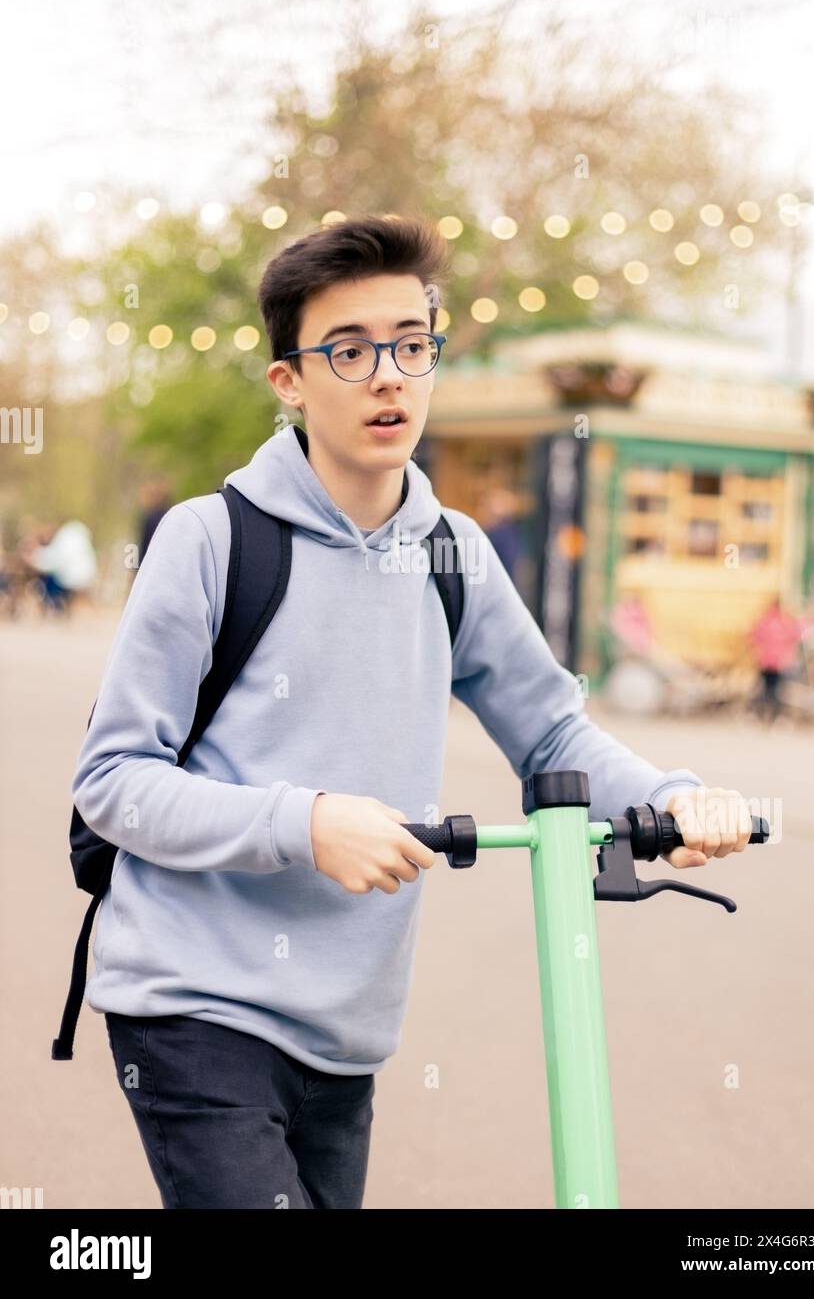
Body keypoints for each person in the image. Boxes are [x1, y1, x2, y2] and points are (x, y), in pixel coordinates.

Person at [71, 214, 756, 1211]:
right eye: (347, 351)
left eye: (409, 344)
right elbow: (111, 782)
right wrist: (303, 823)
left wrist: (671, 798)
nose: (387, 375)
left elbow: (551, 732)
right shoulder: (210, 541)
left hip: (345, 1031)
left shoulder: (454, 554)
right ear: (289, 382)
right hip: (192, 1007)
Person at [747, 594, 807, 721]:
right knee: (776, 690)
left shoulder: (765, 620)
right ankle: (775, 716)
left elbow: (753, 636)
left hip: (766, 661)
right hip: (779, 662)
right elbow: (797, 634)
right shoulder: (784, 622)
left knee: (765, 689)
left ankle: (760, 714)